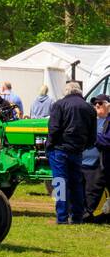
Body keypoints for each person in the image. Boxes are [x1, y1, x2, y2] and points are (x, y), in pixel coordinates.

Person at [46, 81, 97, 223]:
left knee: (60, 183)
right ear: (79, 91)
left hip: (60, 150)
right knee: (77, 184)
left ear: (66, 91)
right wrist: (83, 146)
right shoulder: (89, 108)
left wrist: (49, 145)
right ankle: (77, 217)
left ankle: (62, 217)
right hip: (78, 151)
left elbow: (54, 129)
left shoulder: (59, 105)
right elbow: (92, 136)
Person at [85, 94, 110, 222]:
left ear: (108, 106)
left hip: (100, 164)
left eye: (100, 103)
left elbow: (107, 140)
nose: (97, 106)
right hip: (83, 162)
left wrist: (92, 137)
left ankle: (86, 214)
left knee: (92, 191)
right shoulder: (92, 120)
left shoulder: (108, 121)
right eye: (95, 104)